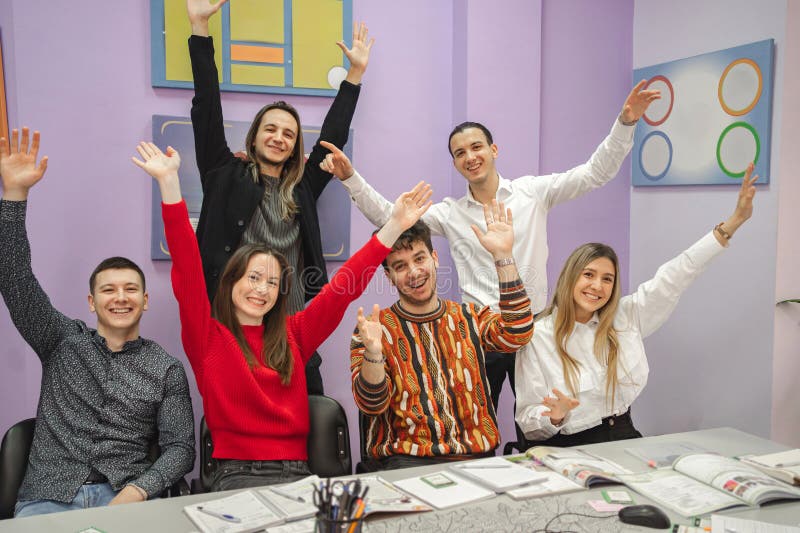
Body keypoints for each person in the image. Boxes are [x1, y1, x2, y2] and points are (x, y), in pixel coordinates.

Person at [330, 82, 660, 413]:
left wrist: (626, 123)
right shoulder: (451, 213)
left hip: (533, 330)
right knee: (474, 417)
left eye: (477, 147)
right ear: (455, 164)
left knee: (540, 418)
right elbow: (392, 219)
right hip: (480, 334)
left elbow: (594, 174)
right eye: (460, 153)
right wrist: (350, 178)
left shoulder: (533, 193)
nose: (470, 157)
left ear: (494, 150)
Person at [132, 141, 430, 490]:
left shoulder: (295, 333)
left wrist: (393, 226)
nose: (262, 289)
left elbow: (342, 289)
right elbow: (186, 265)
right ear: (231, 282)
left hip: (299, 473)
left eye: (272, 282)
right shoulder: (207, 336)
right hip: (236, 474)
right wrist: (169, 183)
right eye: (254, 278)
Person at [0, 128, 195, 517]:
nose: (120, 297)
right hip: (48, 499)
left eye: (130, 289)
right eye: (108, 290)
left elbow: (181, 449)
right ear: (92, 302)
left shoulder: (166, 368)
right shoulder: (60, 341)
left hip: (124, 498)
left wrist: (139, 491)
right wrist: (15, 195)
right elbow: (14, 277)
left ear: (144, 301)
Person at [186, 0, 375, 395]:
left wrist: (355, 75)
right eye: (270, 129)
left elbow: (332, 138)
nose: (278, 138)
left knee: (311, 415)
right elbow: (206, 109)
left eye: (288, 134)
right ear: (254, 137)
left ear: (294, 147)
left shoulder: (302, 187)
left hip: (292, 333)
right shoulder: (224, 175)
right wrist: (199, 28)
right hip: (234, 328)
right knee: (239, 418)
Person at [514, 164, 758, 446]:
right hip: (568, 445)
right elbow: (528, 421)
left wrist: (733, 223)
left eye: (607, 279)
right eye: (589, 275)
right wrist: (554, 417)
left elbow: (677, 274)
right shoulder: (538, 336)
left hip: (624, 435)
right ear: (571, 277)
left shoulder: (626, 316)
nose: (597, 286)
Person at [350, 201, 533, 471]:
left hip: (477, 460)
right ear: (389, 277)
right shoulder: (374, 330)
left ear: (434, 259)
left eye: (419, 259)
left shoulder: (470, 317)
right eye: (400, 266)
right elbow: (371, 404)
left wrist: (503, 255)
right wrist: (374, 354)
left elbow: (518, 334)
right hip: (407, 464)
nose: (414, 272)